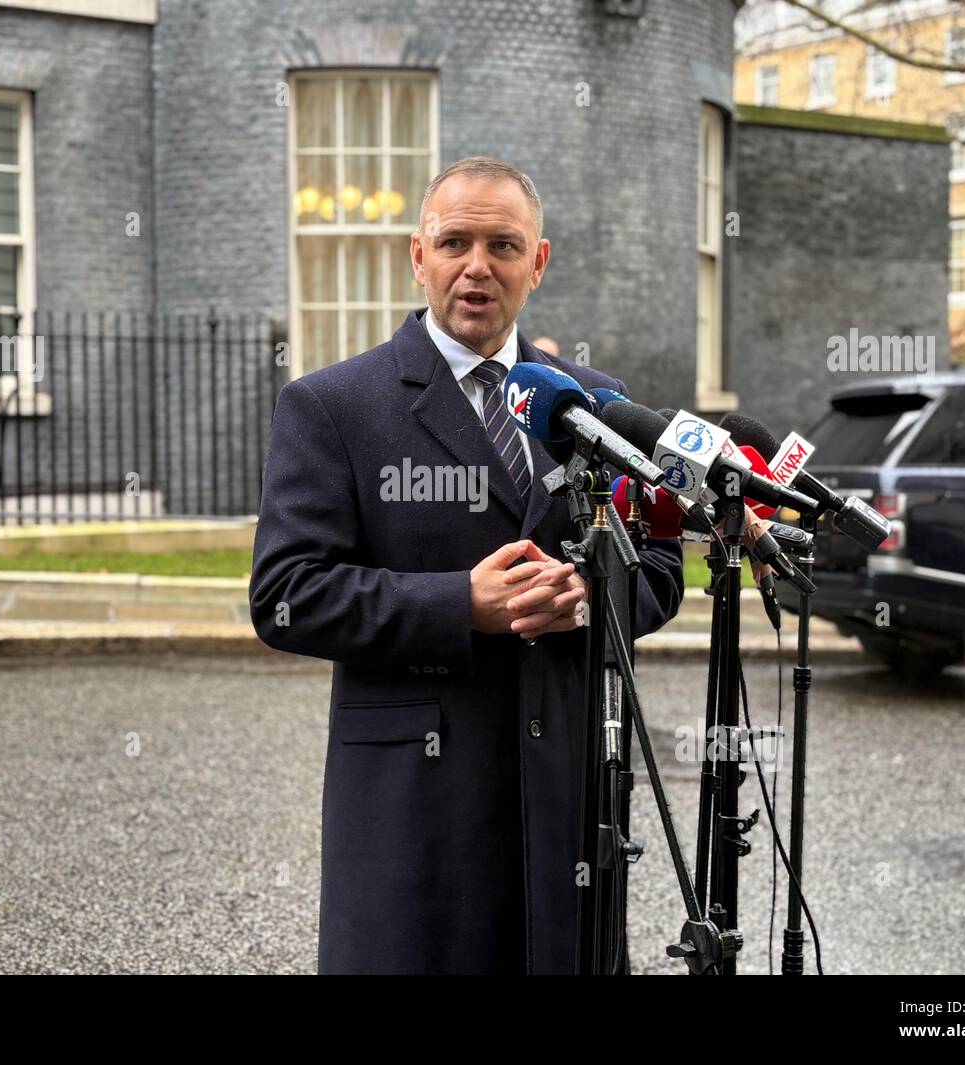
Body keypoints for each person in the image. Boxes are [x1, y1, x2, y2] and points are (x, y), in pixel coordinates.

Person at [250, 156, 684, 974]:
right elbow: (285, 595)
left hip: (566, 802)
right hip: (414, 813)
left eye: (503, 244)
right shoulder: (333, 405)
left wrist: (592, 593)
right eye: (454, 241)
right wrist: (461, 604)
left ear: (539, 262)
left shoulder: (593, 401)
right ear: (420, 257)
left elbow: (659, 565)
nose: (476, 265)